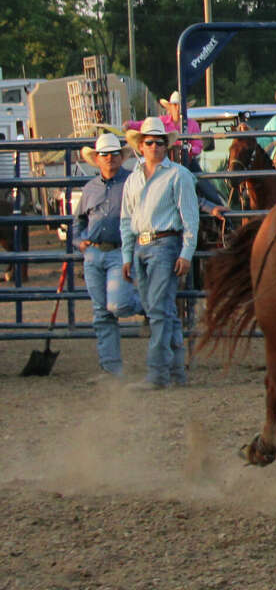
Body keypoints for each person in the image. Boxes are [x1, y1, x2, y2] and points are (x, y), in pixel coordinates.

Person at [120, 117, 200, 389]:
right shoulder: (133, 179)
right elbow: (125, 219)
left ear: (166, 146)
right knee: (163, 310)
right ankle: (176, 371)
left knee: (156, 309)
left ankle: (157, 373)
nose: (154, 146)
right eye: (149, 142)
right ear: (141, 146)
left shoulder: (179, 175)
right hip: (143, 245)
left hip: (165, 245)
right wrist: (127, 255)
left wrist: (186, 252)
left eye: (159, 142)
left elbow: (190, 217)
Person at [74, 133, 141, 377]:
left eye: (114, 154)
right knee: (102, 313)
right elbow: (78, 221)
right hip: (94, 254)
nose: (110, 158)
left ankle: (146, 305)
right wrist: (79, 241)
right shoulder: (90, 188)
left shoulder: (132, 182)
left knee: (117, 305)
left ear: (120, 157)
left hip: (120, 251)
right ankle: (111, 369)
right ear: (97, 159)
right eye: (105, 154)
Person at [158, 91, 202, 160]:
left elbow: (198, 146)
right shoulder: (160, 121)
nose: (178, 108)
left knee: (198, 171)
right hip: (164, 160)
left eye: (181, 105)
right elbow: (143, 125)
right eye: (175, 105)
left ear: (185, 108)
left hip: (187, 161)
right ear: (170, 107)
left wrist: (190, 149)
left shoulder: (193, 124)